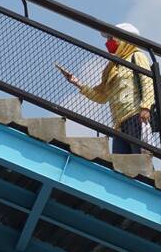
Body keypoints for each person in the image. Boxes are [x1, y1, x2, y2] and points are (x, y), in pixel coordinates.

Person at [57, 22, 154, 155]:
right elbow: (102, 96)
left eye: (111, 39)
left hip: (135, 116)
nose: (108, 43)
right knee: (121, 165)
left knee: (140, 158)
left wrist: (146, 107)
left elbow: (147, 81)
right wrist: (77, 83)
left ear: (123, 39)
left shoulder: (136, 56)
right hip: (119, 124)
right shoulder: (112, 67)